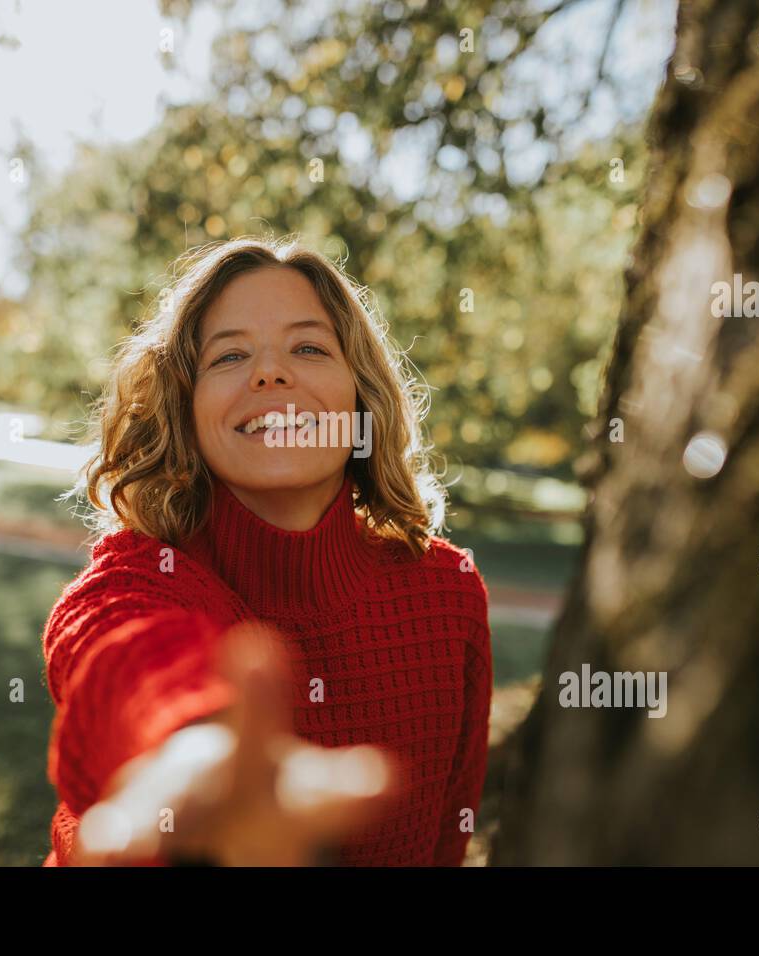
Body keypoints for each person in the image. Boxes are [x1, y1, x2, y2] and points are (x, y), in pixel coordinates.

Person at [40, 235, 493, 866]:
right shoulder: (137, 577)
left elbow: (447, 836)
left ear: (360, 399)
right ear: (185, 407)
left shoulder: (449, 593)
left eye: (308, 347)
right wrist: (192, 749)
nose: (268, 373)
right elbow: (129, 660)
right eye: (228, 357)